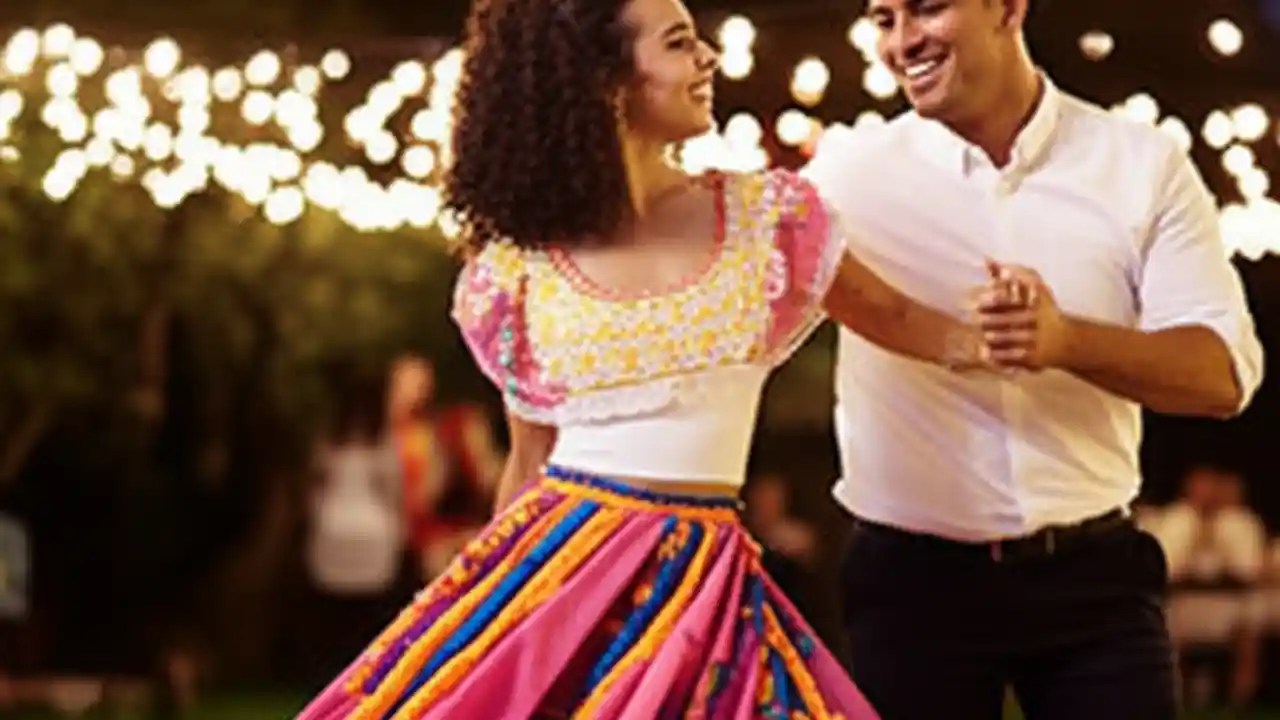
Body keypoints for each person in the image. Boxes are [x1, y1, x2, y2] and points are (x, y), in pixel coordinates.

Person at [296, 0, 1014, 715]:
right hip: (563, 579)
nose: (709, 58)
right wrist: (486, 623)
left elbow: (900, 319)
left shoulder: (767, 219)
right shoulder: (518, 272)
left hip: (703, 584)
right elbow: (529, 458)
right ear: (606, 80)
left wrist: (1028, 337)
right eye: (679, 44)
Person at [801, 0, 1265, 718]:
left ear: (1010, 7)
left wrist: (1065, 342)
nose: (902, 42)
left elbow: (1222, 376)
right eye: (884, 18)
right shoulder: (843, 178)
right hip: (910, 589)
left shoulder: (1141, 163)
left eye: (926, 9)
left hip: (1094, 578)